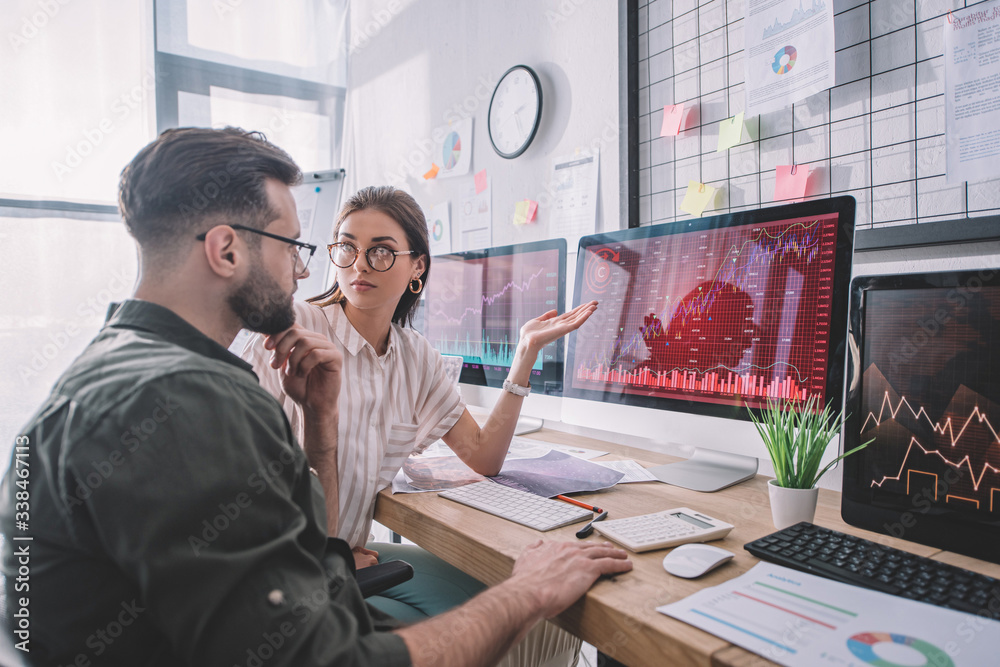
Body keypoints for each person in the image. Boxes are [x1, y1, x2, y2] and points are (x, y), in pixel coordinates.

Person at [0, 127, 632, 665]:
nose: (306, 271)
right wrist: (527, 592)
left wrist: (320, 423)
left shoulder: (116, 369)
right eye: (294, 248)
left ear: (415, 267)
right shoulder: (191, 400)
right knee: (532, 613)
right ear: (225, 249)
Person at [242, 185, 596, 660]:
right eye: (347, 247)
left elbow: (484, 457)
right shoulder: (293, 330)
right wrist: (327, 556)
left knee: (540, 606)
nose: (360, 264)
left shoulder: (416, 357)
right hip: (290, 570)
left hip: (347, 556)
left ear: (418, 267)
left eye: (381, 251)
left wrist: (525, 354)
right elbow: (241, 480)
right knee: (503, 620)